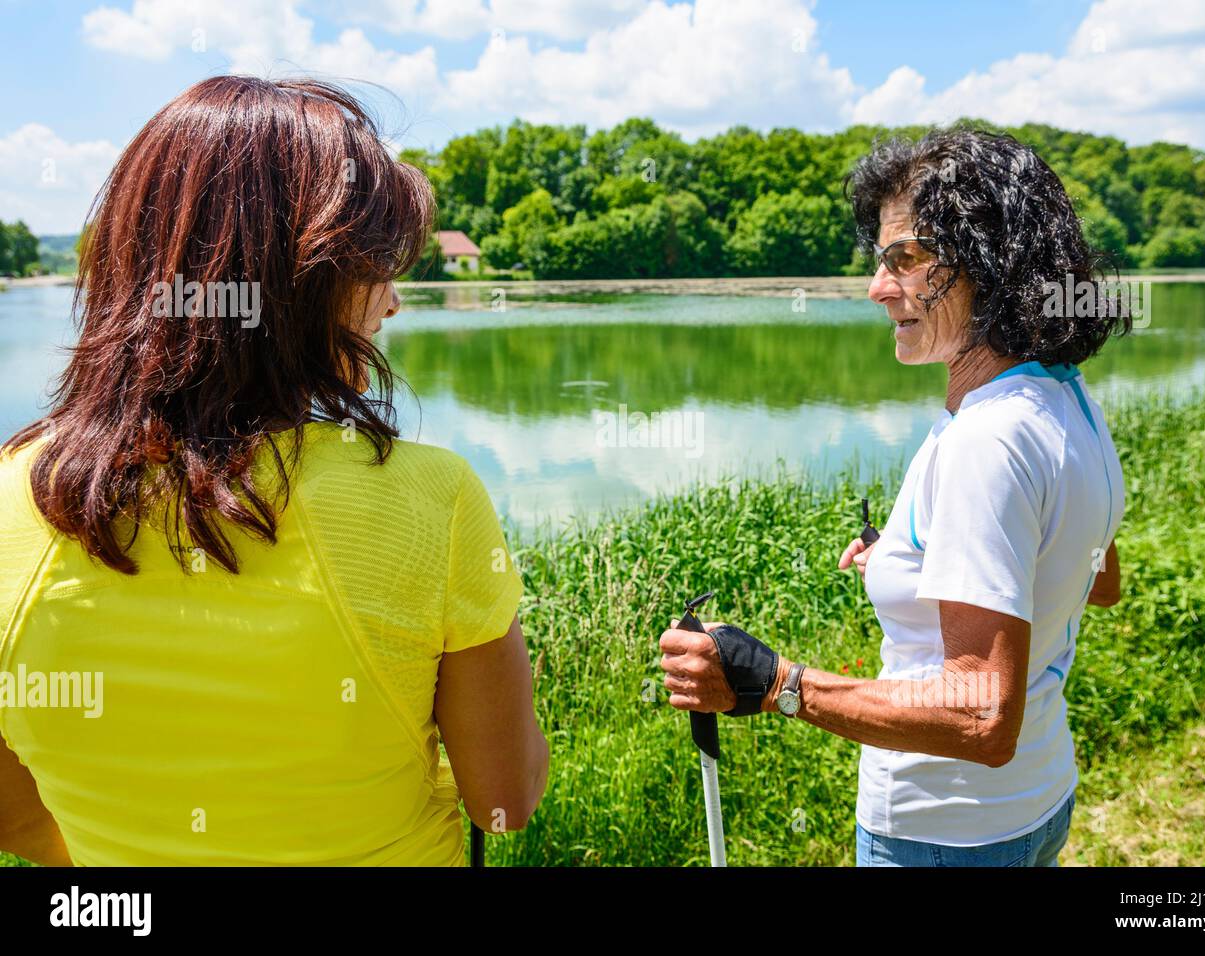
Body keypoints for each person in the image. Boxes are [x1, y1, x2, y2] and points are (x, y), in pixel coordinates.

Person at [0, 75, 548, 866]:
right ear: (301, 283)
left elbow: (16, 822)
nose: (392, 303)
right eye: (375, 268)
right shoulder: (435, 499)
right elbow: (503, 803)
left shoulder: (16, 499)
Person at [659, 126, 1130, 867]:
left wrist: (778, 684)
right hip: (1039, 805)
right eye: (880, 261)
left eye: (904, 259)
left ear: (988, 262)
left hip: (941, 831)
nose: (878, 288)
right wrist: (924, 554)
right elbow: (1092, 577)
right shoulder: (1069, 401)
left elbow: (981, 718)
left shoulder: (987, 441)